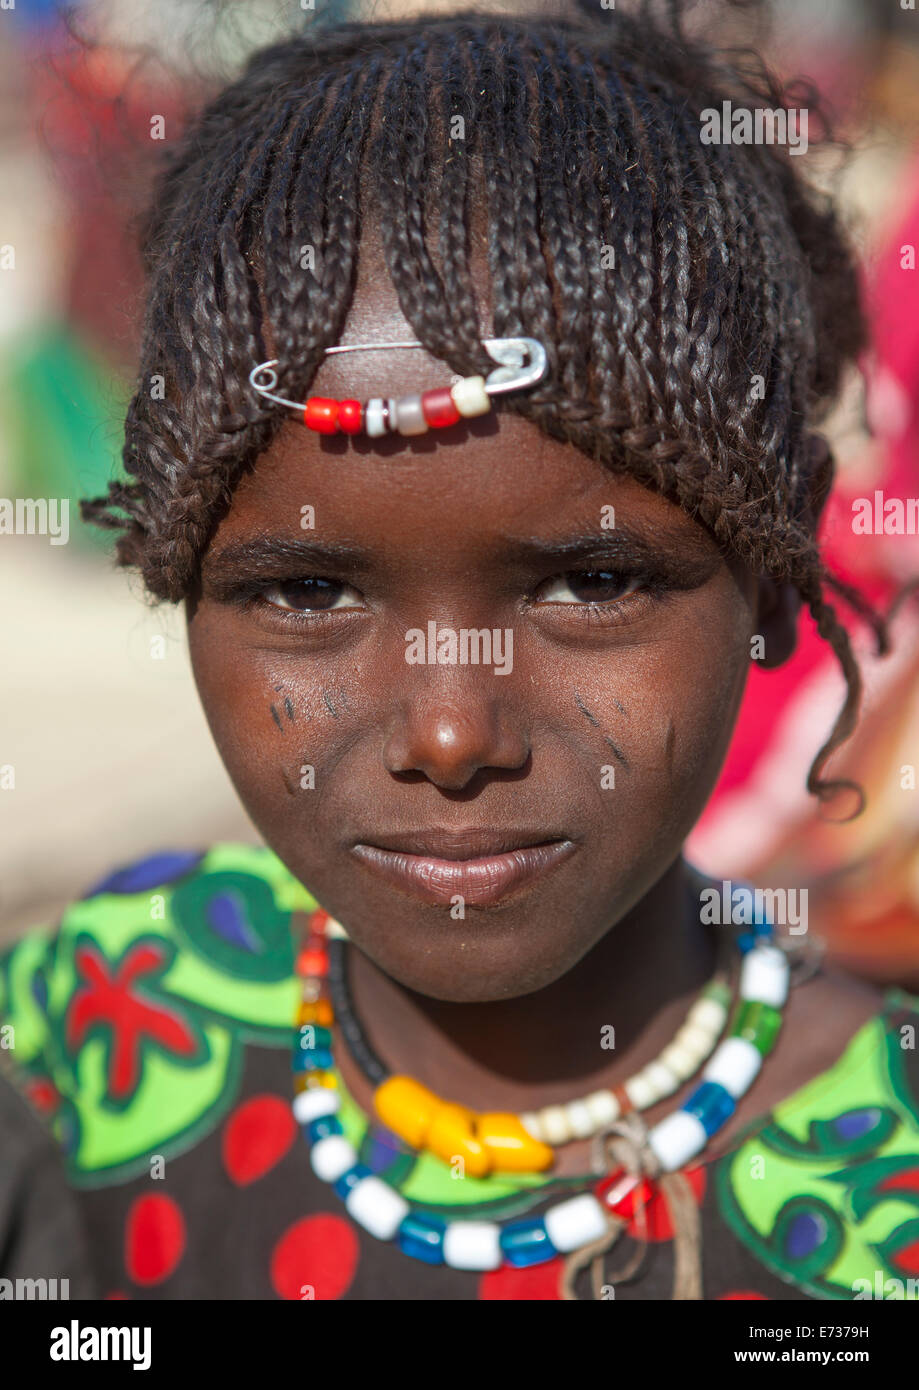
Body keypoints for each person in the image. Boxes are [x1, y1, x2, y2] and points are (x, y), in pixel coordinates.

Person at [2, 5, 917, 1302]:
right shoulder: (92, 1019)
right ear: (178, 578)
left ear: (776, 573)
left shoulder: (887, 1201)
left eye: (595, 582)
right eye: (308, 588)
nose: (448, 734)